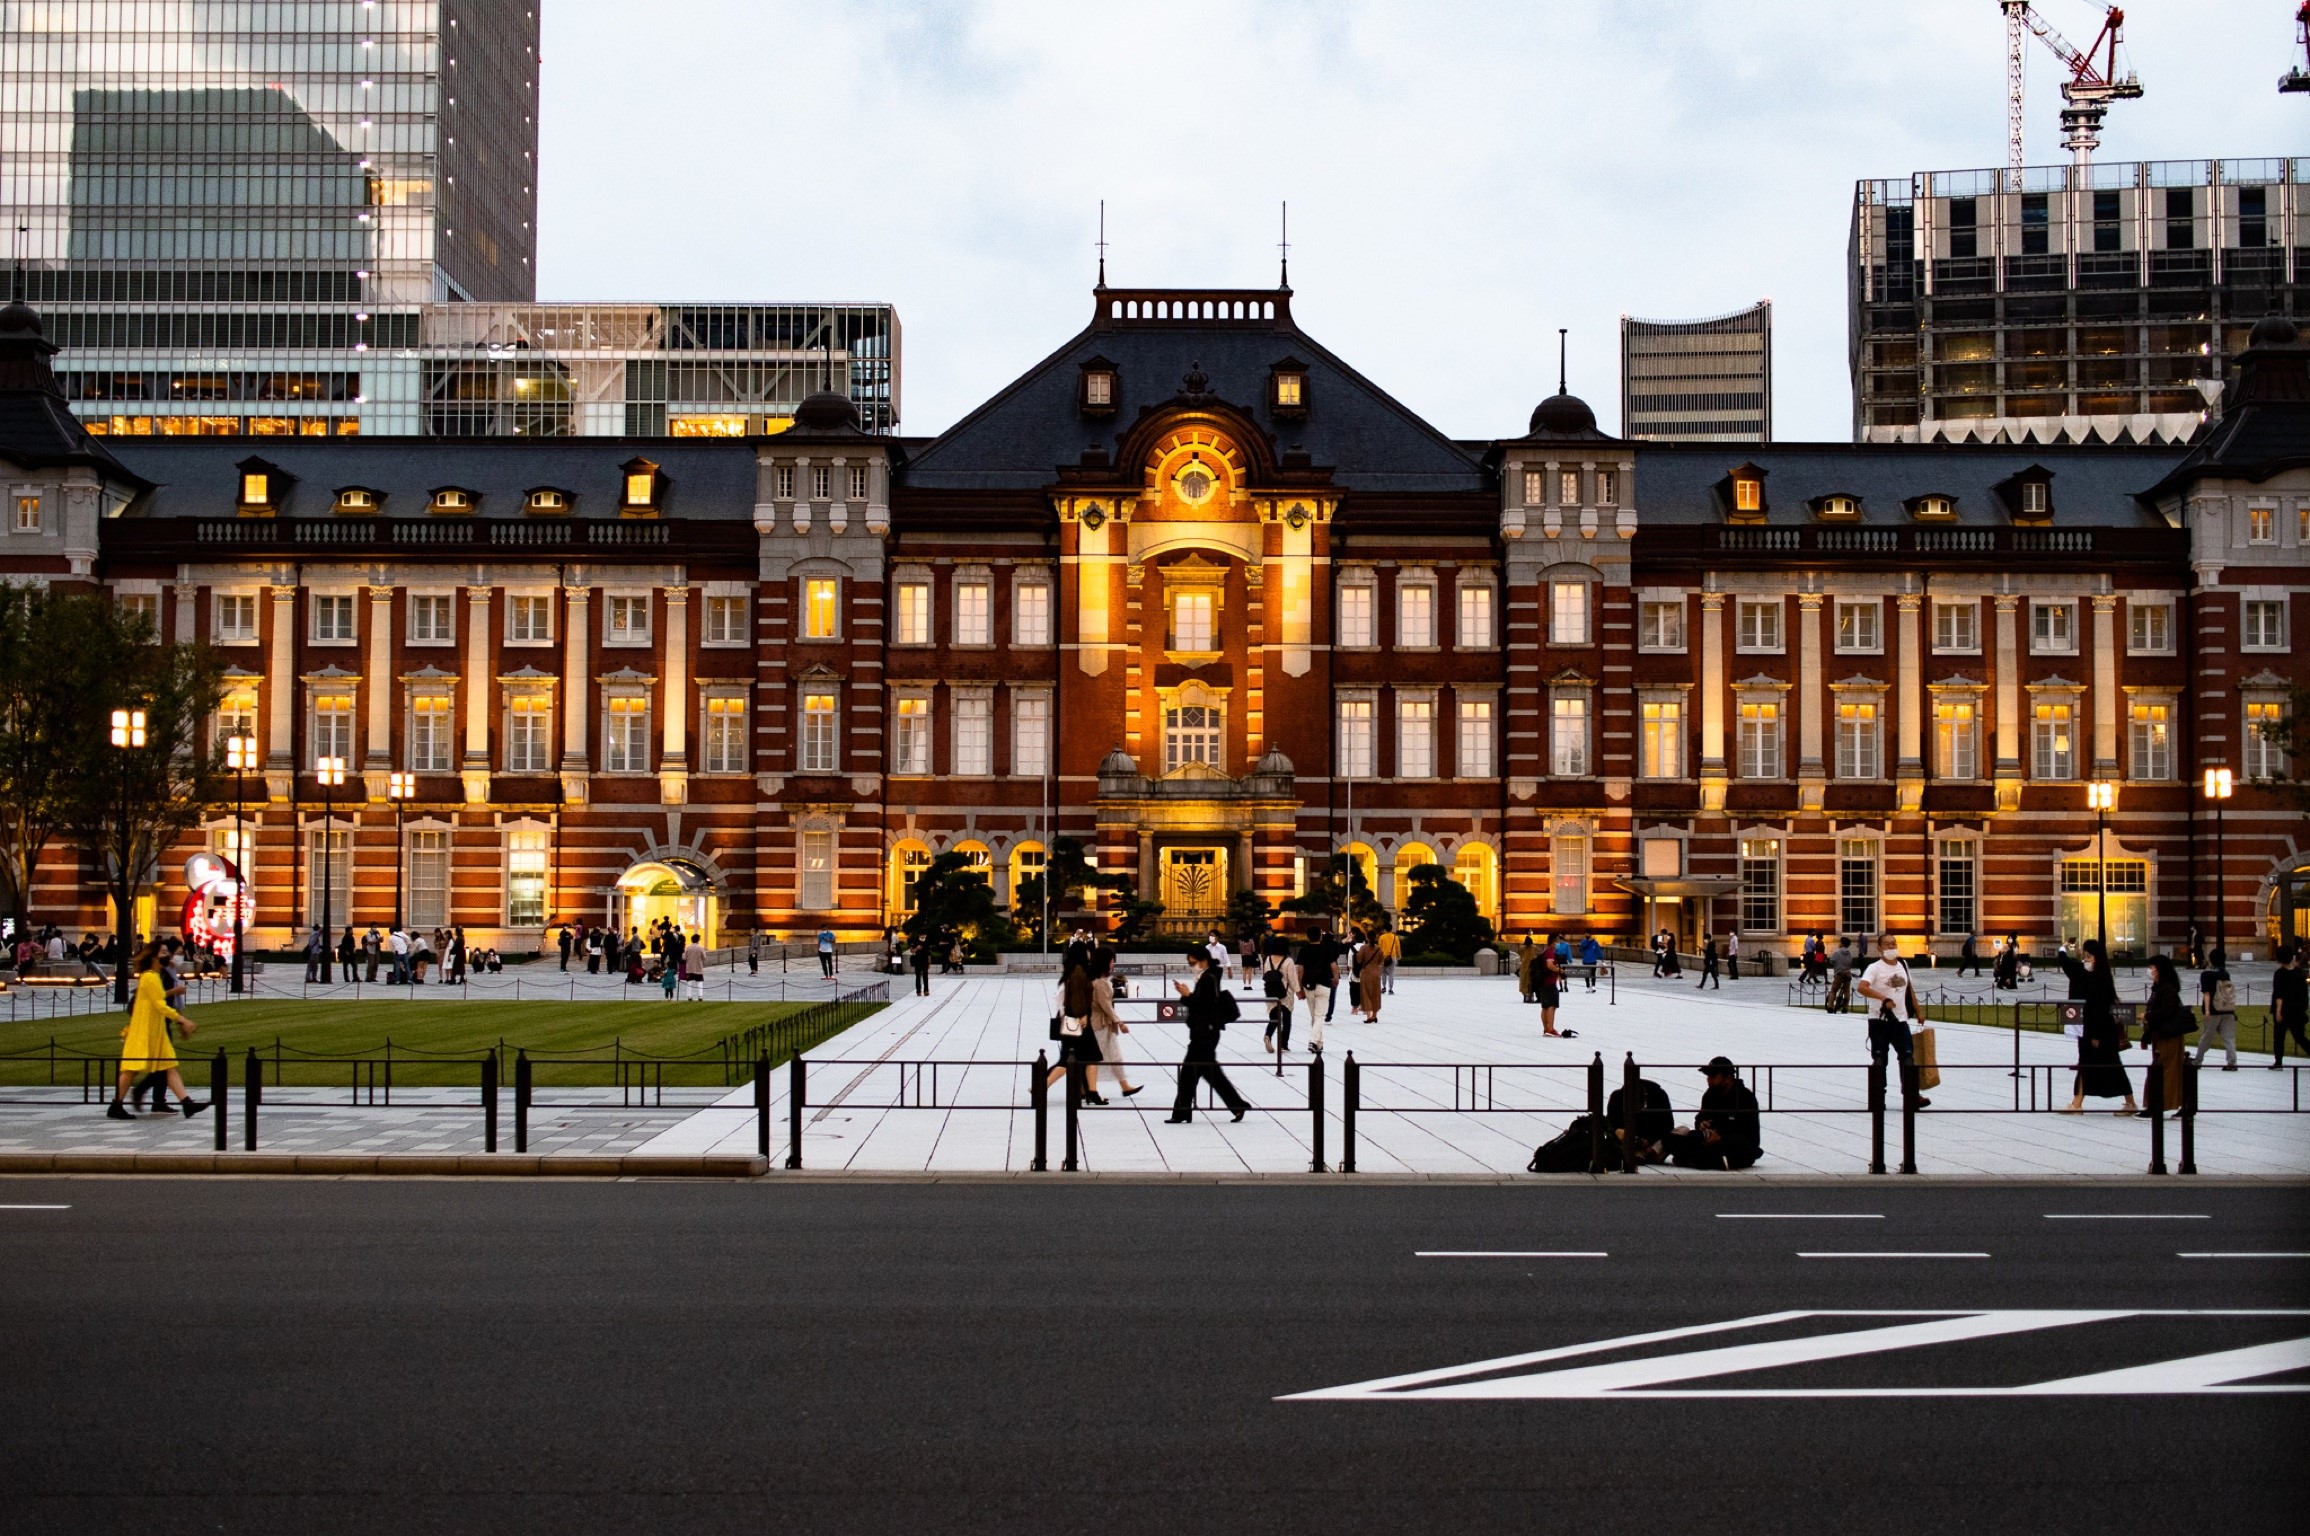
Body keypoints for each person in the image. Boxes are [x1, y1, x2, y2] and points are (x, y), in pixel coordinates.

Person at [107, 940, 207, 1121]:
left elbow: (159, 1002)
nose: (166, 955)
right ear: (153, 956)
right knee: (131, 1070)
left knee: (169, 1067)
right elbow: (160, 1005)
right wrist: (182, 1019)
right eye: (162, 952)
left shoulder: (152, 976)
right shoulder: (150, 977)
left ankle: (187, 1103)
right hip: (145, 1032)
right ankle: (116, 1105)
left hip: (154, 1032)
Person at [1165, 947, 1248, 1125]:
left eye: (1193, 963)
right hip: (1206, 1032)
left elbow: (1204, 1007)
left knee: (1192, 1074)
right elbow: (1203, 1003)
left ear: (1204, 960)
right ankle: (1236, 1105)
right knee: (1209, 1075)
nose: (1192, 966)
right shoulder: (1209, 976)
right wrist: (1187, 995)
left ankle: (1182, 1112)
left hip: (1204, 1033)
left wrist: (1187, 995)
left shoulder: (1209, 978)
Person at [2061, 938, 2138, 1115]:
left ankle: (2130, 1103)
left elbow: (2100, 1009)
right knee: (2086, 1066)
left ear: (2097, 958)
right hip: (2093, 1030)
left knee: (2113, 1068)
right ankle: (2077, 1102)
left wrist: (2095, 1035)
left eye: (2089, 957)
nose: (2086, 961)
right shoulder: (2097, 977)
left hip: (2100, 1033)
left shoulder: (2100, 980)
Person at [1857, 930, 1930, 1110]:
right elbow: (1862, 987)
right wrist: (1883, 999)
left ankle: (1912, 1096)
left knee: (1907, 1056)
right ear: (1879, 948)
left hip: (1899, 1020)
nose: (1891, 946)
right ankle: (1877, 1097)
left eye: (1894, 943)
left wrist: (1918, 1011)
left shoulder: (1903, 964)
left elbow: (1909, 989)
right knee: (1880, 1058)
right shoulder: (1874, 968)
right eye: (1887, 944)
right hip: (1879, 1020)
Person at [1666, 1056, 1763, 1170]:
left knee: (1739, 1143)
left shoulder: (1745, 1097)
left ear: (1727, 1077)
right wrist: (1702, 1124)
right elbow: (1700, 1118)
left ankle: (1700, 1160)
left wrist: (1720, 1138)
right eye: (1708, 1076)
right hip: (1710, 1140)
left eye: (1713, 1076)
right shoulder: (1710, 1094)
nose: (1709, 1080)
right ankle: (1705, 1160)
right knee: (1673, 1138)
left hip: (1733, 1143)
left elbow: (1748, 1132)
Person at [2139, 953, 2190, 1116]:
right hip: (2160, 1034)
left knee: (2166, 1071)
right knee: (2167, 1070)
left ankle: (2158, 1105)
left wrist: (2147, 1016)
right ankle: (2180, 1104)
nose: (2150, 971)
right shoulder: (2159, 988)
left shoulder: (2167, 989)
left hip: (2169, 1035)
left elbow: (2167, 1012)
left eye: (2152, 968)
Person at [2194, 946, 2238, 1071]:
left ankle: (2198, 1061)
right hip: (2228, 1009)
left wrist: (2207, 1011)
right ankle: (2232, 1062)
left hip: (2213, 1010)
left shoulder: (2206, 975)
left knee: (2206, 1037)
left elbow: (2207, 994)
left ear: (2211, 959)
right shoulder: (2226, 974)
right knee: (2228, 1038)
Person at [1296, 928, 1337, 1051]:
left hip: (1309, 985)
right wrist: (1336, 978)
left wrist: (1300, 987)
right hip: (1324, 984)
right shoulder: (1327, 949)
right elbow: (1334, 966)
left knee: (1314, 1016)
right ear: (1320, 936)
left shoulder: (1303, 950)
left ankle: (1319, 1043)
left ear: (1307, 937)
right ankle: (1313, 1041)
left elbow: (1300, 970)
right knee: (1319, 1016)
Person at [2272, 947, 2309, 1069]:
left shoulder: (2279, 974)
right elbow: (2304, 995)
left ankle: (2278, 1062)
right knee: (2300, 1037)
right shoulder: (2299, 974)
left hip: (2284, 1010)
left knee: (2279, 1037)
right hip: (2297, 1011)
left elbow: (2279, 994)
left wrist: (2278, 1011)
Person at [1261, 941, 1298, 1054]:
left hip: (1271, 992)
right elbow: (1291, 978)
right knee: (1286, 1019)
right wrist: (1298, 991)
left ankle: (1268, 1035)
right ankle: (1283, 1044)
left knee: (1273, 1018)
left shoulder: (1268, 959)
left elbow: (1265, 974)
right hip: (1285, 993)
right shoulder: (1288, 961)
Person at [1354, 926, 1385, 1022]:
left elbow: (1359, 960)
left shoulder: (1363, 948)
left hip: (1366, 972)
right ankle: (1374, 1015)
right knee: (1375, 994)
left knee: (1366, 994)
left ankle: (1368, 1016)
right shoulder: (1378, 949)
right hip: (1376, 972)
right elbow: (1381, 961)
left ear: (1367, 938)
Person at [1536, 941, 1566, 1037]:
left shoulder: (1545, 952)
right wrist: (1559, 970)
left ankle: (1546, 1028)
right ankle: (1550, 1028)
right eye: (1556, 941)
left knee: (1545, 1006)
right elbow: (1549, 965)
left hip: (1543, 983)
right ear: (1552, 942)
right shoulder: (1550, 952)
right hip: (1549, 983)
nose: (1558, 944)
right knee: (1552, 1006)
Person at [1825, 936, 1856, 1015]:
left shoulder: (1836, 952)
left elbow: (1832, 961)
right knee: (1847, 990)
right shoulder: (1850, 953)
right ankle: (1845, 1008)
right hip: (1848, 973)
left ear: (1842, 943)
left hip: (1839, 973)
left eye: (1839, 942)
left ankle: (1830, 1007)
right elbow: (1850, 962)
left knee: (1833, 991)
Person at [1377, 923, 1402, 996]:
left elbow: (1379, 948)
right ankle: (1390, 989)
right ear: (1391, 929)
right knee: (1391, 973)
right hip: (1393, 956)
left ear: (1385, 929)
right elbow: (1398, 947)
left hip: (1383, 957)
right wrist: (1399, 956)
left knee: (1383, 973)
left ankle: (1384, 987)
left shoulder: (1382, 937)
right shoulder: (1395, 937)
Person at [682, 935, 707, 1001]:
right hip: (698, 967)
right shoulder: (701, 948)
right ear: (698, 940)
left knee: (689, 982)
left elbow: (684, 958)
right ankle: (700, 996)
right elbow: (704, 957)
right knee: (699, 982)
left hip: (689, 968)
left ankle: (689, 996)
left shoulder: (687, 948)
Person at [1517, 935, 1540, 1004]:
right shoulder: (1534, 947)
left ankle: (1526, 995)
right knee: (1531, 981)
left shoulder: (1522, 948)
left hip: (1524, 966)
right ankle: (1531, 995)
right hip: (1532, 966)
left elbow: (1520, 954)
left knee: (1524, 981)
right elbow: (1538, 953)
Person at [912, 931, 932, 997]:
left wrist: (929, 962)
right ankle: (918, 991)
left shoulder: (927, 942)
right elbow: (912, 951)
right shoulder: (916, 941)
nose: (923, 936)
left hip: (925, 961)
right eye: (922, 935)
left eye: (924, 935)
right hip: (917, 961)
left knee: (925, 976)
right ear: (919, 935)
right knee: (918, 977)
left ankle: (926, 991)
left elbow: (929, 953)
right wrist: (917, 948)